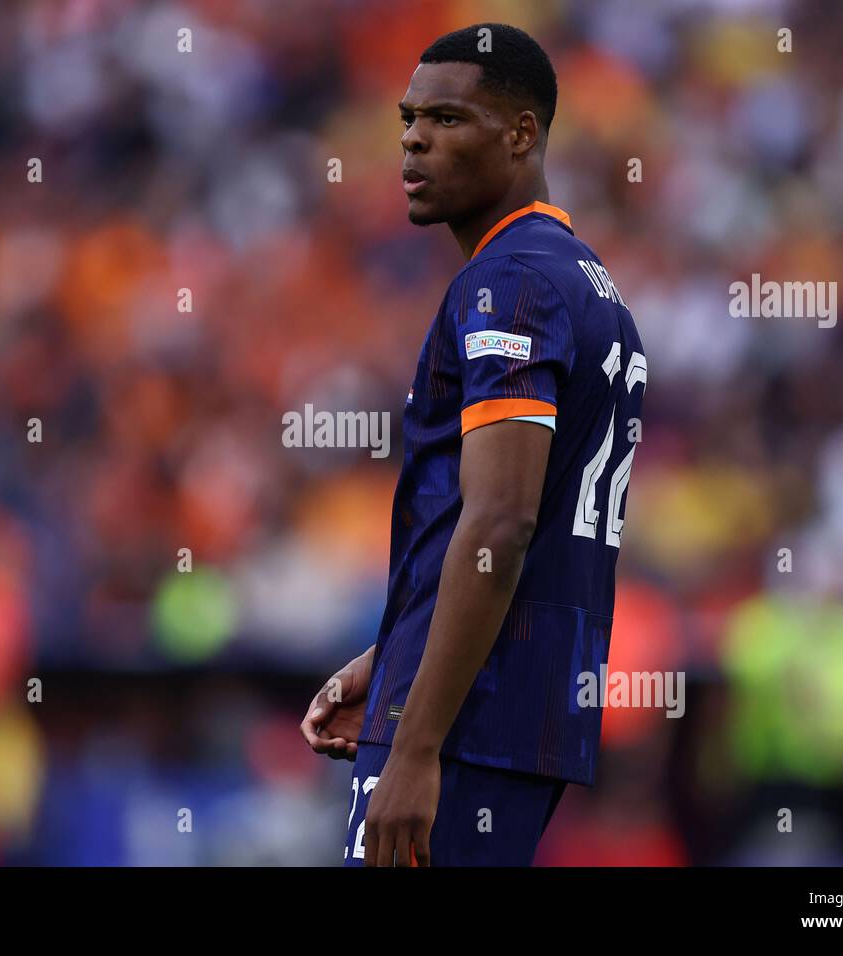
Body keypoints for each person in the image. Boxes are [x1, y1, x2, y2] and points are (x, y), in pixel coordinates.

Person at [301, 23, 647, 866]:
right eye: (408, 117)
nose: (414, 138)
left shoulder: (510, 282)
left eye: (448, 119)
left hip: (467, 724)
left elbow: (501, 526)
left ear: (522, 134)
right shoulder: (583, 280)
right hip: (509, 707)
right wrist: (394, 654)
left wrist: (415, 744)